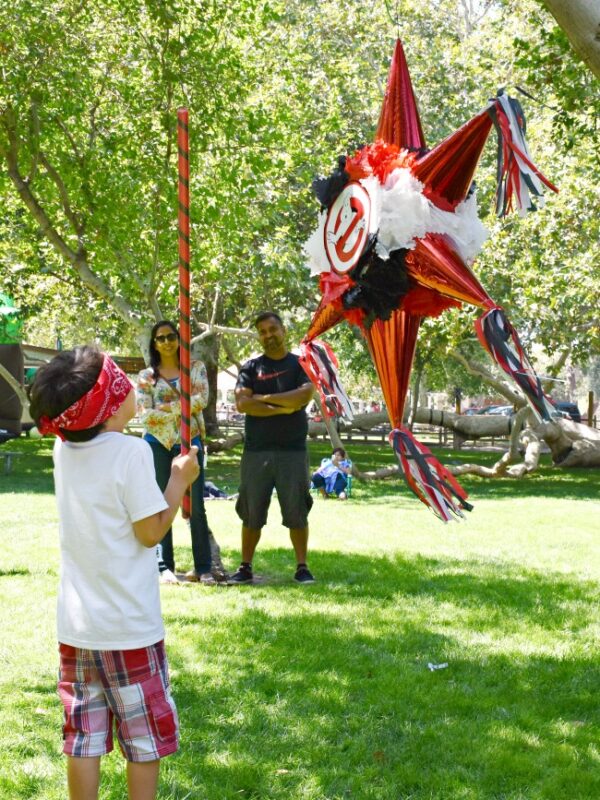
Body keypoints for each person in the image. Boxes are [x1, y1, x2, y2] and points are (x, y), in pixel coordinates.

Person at [29, 345, 199, 800]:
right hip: (129, 628)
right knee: (142, 741)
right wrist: (178, 480)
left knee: (83, 736)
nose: (133, 392)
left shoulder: (64, 451)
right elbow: (150, 533)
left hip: (78, 627)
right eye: (123, 386)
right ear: (108, 404)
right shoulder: (131, 453)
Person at [230, 311, 316, 584]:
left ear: (283, 331)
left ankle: (302, 567)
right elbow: (243, 403)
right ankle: (245, 567)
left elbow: (304, 395)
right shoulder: (250, 368)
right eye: (263, 332)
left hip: (293, 451)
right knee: (251, 511)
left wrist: (263, 398)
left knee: (296, 510)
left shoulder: (300, 364)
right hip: (257, 452)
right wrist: (283, 407)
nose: (268, 335)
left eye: (272, 329)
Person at [136, 320, 216, 584]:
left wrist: (166, 408)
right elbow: (144, 414)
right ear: (154, 343)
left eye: (171, 336)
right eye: (160, 338)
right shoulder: (147, 376)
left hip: (189, 440)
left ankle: (203, 567)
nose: (167, 342)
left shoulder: (194, 368)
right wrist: (180, 408)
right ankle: (164, 566)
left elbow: (201, 399)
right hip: (157, 442)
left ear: (179, 339)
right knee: (160, 501)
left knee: (197, 505)